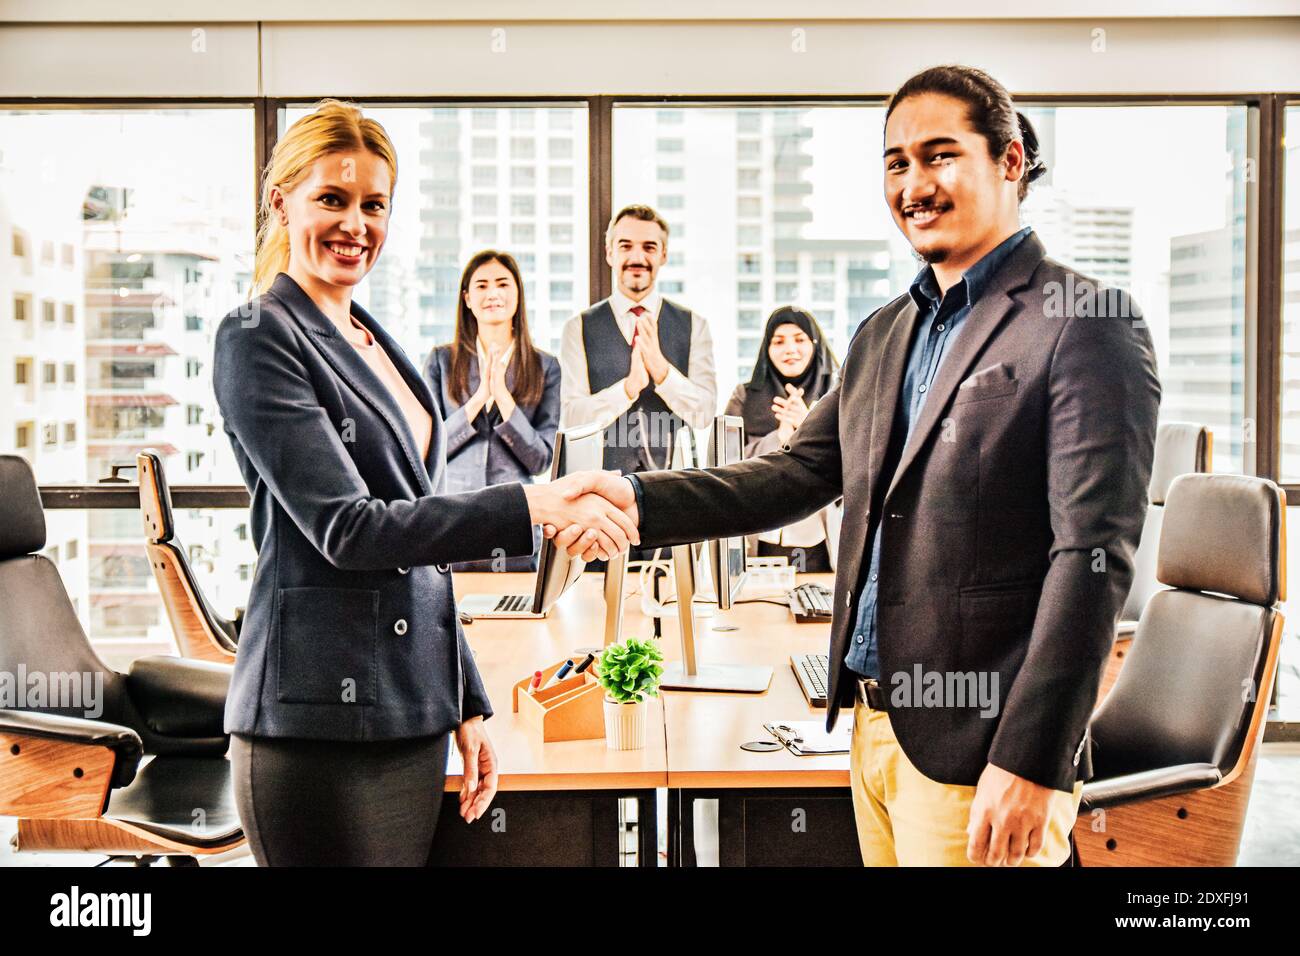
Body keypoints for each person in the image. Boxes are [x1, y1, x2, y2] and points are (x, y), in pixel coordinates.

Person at [551, 65, 1160, 867]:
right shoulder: (884, 332)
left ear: (1010, 162)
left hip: (981, 750)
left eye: (941, 155)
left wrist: (1033, 758)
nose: (915, 183)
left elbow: (1091, 558)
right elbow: (791, 474)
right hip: (874, 729)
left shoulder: (1080, 321)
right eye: (896, 162)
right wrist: (633, 497)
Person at [212, 100, 637, 866]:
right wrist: (531, 505)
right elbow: (354, 531)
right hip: (315, 728)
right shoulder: (258, 335)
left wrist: (464, 702)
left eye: (374, 204)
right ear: (281, 202)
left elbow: (424, 557)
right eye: (331, 199)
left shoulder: (377, 339)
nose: (355, 224)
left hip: (408, 717)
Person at [424, 250, 561, 572]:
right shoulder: (441, 361)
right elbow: (429, 450)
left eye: (502, 284)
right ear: (467, 298)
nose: (493, 294)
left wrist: (503, 399)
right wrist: (477, 401)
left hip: (516, 520)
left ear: (517, 294)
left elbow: (541, 459)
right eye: (482, 286)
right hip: (452, 519)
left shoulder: (546, 367)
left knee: (516, 616)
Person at [559, 204, 717, 479]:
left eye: (649, 247)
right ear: (610, 253)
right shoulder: (577, 328)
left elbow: (704, 414)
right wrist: (628, 389)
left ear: (663, 255)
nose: (637, 256)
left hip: (674, 488)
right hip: (601, 488)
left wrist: (662, 373)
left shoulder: (695, 325)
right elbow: (572, 418)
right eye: (625, 245)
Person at [725, 306, 841, 573]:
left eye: (799, 339)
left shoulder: (837, 393)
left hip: (819, 536)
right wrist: (779, 437)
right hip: (761, 534)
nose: (790, 349)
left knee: (816, 606)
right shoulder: (744, 396)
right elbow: (728, 466)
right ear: (767, 348)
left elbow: (856, 460)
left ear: (815, 345)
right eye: (778, 341)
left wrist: (808, 427)